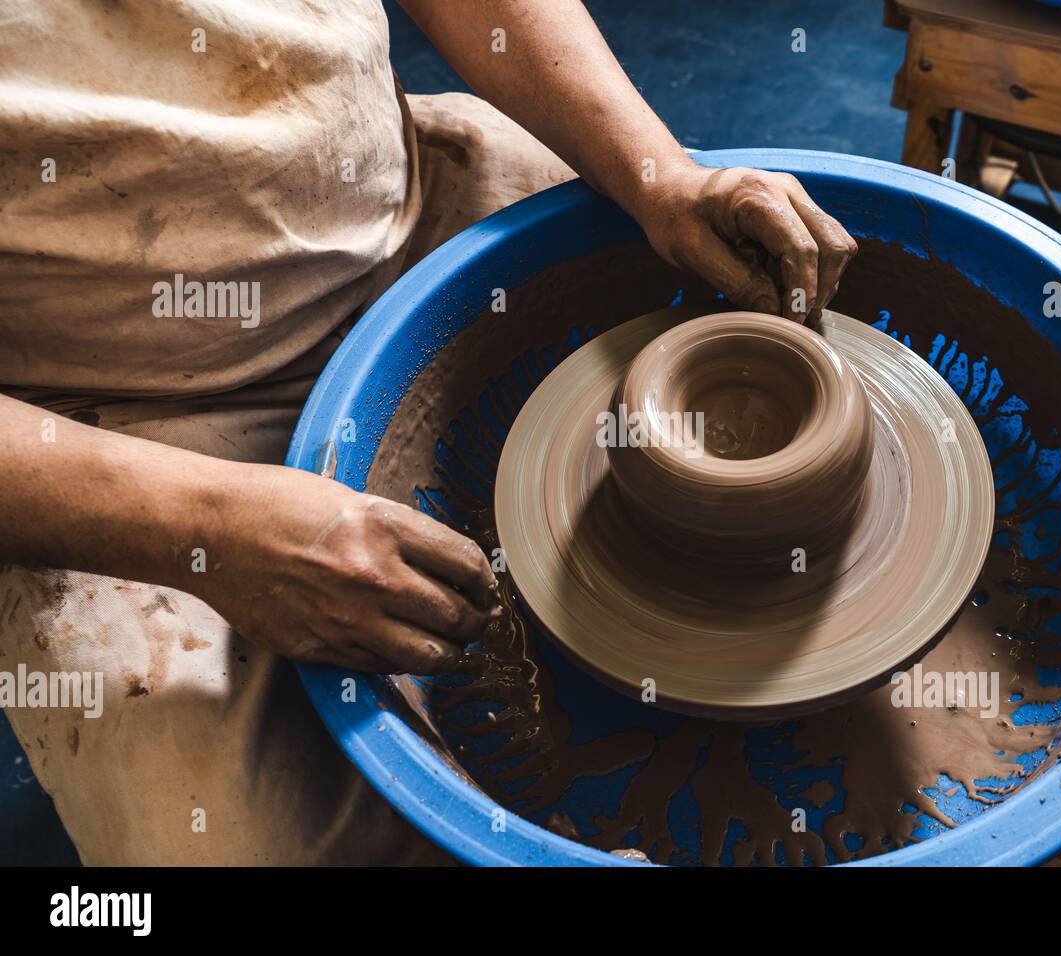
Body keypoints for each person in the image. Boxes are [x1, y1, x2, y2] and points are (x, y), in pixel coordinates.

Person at [0, 0, 858, 864]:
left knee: (722, 275)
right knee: (252, 841)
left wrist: (659, 170)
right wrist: (206, 531)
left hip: (413, 208)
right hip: (112, 423)